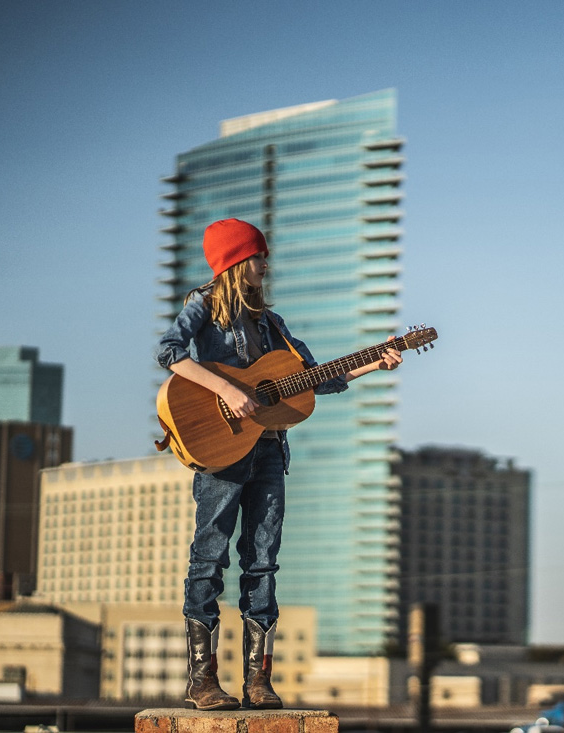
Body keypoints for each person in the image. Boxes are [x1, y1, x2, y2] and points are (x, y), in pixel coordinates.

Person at [156, 218, 401, 710]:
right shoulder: (203, 305)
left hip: (269, 450)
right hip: (222, 452)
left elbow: (314, 378)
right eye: (259, 256)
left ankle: (257, 681)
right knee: (210, 556)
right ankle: (202, 681)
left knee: (263, 560)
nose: (266, 265)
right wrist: (228, 390)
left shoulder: (272, 323)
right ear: (236, 261)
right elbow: (170, 353)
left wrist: (377, 360)